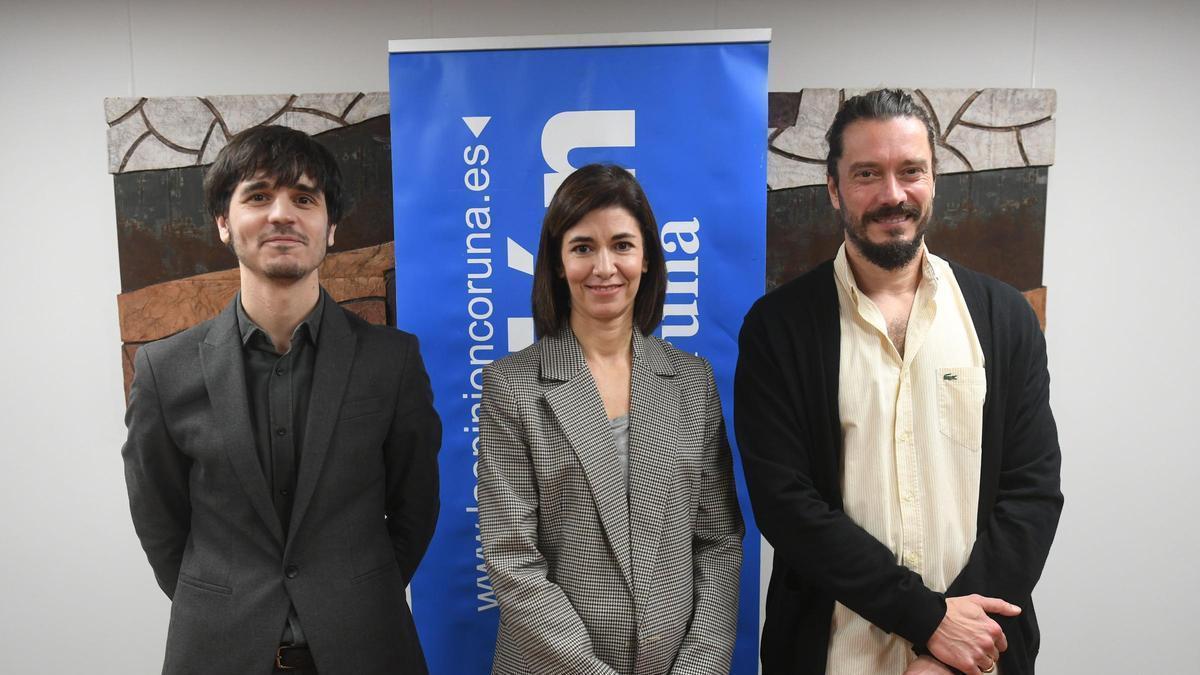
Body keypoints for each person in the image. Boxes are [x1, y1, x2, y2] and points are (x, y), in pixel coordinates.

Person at [735, 89, 1063, 675]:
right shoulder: (777, 328)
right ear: (834, 188)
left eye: (910, 171)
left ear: (934, 180)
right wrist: (929, 622)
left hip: (978, 660)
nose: (893, 195)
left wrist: (955, 645)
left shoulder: (1006, 318)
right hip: (834, 657)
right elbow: (786, 506)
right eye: (867, 174)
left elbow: (1032, 494)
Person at [122, 125, 441, 675]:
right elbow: (159, 520)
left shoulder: (391, 361)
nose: (281, 214)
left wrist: (352, 593)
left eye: (304, 198)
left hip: (368, 645)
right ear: (224, 221)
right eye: (259, 195)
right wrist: (223, 600)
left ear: (330, 226)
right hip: (218, 650)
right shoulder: (164, 370)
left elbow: (416, 505)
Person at [478, 164, 744, 675]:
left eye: (622, 245)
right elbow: (512, 559)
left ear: (646, 258)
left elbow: (718, 544)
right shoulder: (512, 387)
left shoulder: (692, 383)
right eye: (582, 247)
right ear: (558, 263)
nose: (604, 267)